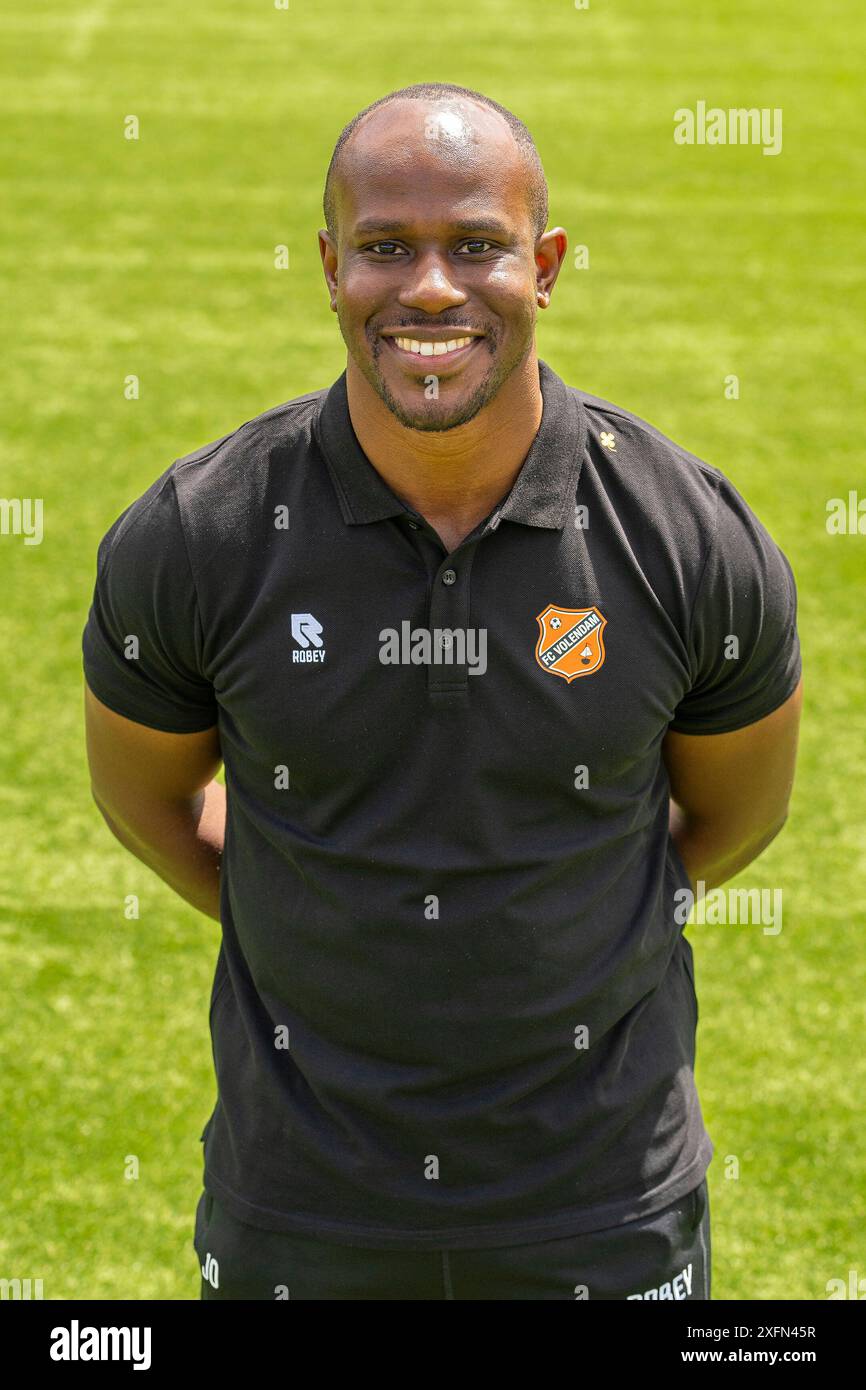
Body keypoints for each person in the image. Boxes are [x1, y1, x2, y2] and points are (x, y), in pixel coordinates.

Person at [82, 83, 803, 1300]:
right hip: (302, 1200)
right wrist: (311, 902)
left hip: (601, 1199)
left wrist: (568, 920)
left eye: (476, 246)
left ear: (547, 265)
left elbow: (734, 818)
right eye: (384, 248)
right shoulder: (199, 533)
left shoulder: (686, 537)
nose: (428, 289)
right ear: (326, 267)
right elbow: (145, 798)